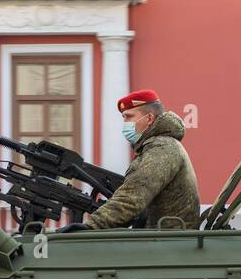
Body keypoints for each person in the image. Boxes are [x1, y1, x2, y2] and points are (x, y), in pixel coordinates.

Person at [81, 89, 200, 231]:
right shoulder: (155, 146)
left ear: (149, 119)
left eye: (129, 117)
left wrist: (91, 226)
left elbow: (132, 198)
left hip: (168, 242)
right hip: (163, 238)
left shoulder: (162, 149)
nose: (125, 123)